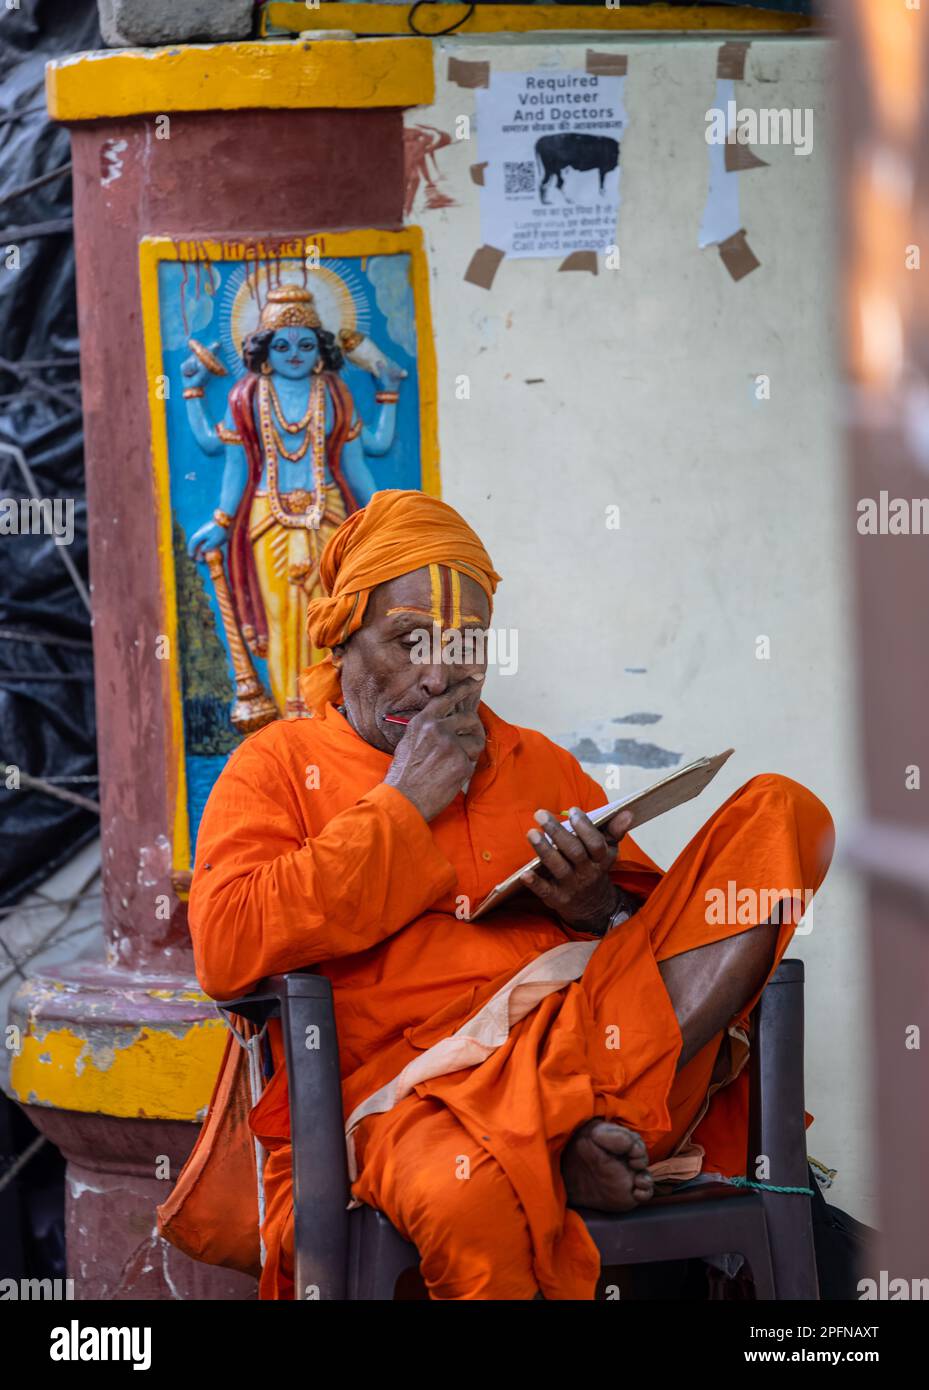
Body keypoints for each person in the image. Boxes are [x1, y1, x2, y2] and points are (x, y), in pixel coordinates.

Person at [186, 489, 834, 1300]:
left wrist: (594, 906)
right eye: (406, 640)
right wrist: (401, 805)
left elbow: (643, 941)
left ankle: (576, 1126)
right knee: (463, 1190)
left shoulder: (534, 762)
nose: (437, 676)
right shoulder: (277, 765)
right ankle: (560, 1140)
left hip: (590, 1049)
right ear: (341, 634)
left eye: (465, 644)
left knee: (781, 813)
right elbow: (225, 947)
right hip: (411, 1101)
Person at [182, 286, 401, 716]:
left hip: (330, 515)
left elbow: (364, 457)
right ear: (265, 350)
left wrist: (386, 517)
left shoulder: (335, 393)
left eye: (305, 344)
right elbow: (227, 458)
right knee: (282, 618)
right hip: (269, 518)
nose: (294, 354)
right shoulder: (246, 396)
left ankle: (333, 714)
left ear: (320, 348)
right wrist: (222, 523)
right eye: (282, 345)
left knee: (334, 617)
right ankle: (291, 717)